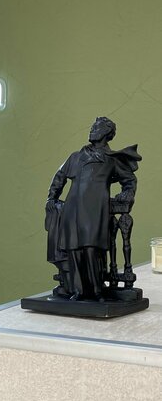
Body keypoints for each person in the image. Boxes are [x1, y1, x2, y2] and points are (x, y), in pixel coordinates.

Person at [45, 117, 141, 300]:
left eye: (96, 127)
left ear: (107, 132)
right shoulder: (76, 157)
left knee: (91, 248)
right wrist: (52, 197)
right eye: (92, 127)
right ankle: (78, 291)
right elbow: (59, 177)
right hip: (72, 208)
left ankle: (96, 290)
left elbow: (129, 180)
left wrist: (127, 194)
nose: (92, 130)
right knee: (73, 249)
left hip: (94, 209)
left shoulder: (111, 160)